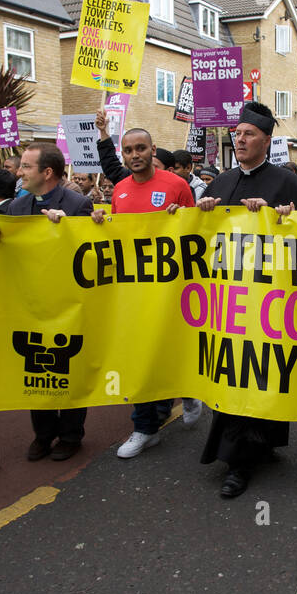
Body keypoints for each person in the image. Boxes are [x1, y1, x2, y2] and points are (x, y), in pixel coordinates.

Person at [196, 101, 297, 498]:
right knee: (234, 377)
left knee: (263, 377)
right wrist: (199, 212)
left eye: (248, 134)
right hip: (226, 305)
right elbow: (199, 239)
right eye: (237, 133)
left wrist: (282, 218)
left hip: (270, 303)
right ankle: (238, 458)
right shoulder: (221, 182)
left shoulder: (287, 183)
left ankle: (249, 456)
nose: (240, 139)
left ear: (266, 140)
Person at [98, 129, 197, 459]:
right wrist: (100, 220)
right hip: (133, 291)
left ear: (153, 150)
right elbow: (115, 234)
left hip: (171, 289)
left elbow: (197, 233)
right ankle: (144, 428)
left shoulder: (177, 185)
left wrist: (180, 220)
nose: (134, 154)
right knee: (139, 355)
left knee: (168, 348)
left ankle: (186, 389)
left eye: (141, 148)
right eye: (128, 150)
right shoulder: (121, 189)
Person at [0, 142, 95, 463]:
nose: (18, 173)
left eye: (24, 167)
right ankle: (43, 433)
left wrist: (71, 231)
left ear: (46, 172)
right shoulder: (13, 209)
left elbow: (91, 254)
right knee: (35, 368)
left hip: (69, 304)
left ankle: (70, 435)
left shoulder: (79, 205)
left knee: (69, 368)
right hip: (30, 305)